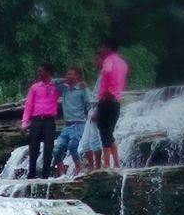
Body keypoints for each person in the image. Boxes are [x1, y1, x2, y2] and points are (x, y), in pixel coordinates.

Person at [21, 63, 59, 180]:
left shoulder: (56, 86)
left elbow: (69, 83)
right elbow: (29, 105)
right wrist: (24, 122)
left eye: (41, 71)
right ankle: (31, 173)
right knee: (33, 148)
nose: (39, 74)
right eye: (39, 71)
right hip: (36, 119)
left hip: (49, 120)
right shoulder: (35, 87)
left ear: (48, 72)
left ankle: (45, 175)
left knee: (48, 148)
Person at [96, 38, 128, 170]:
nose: (102, 50)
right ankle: (116, 163)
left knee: (104, 131)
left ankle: (107, 163)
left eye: (103, 47)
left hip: (107, 100)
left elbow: (108, 71)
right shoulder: (123, 64)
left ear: (108, 48)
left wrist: (108, 90)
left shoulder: (108, 60)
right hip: (116, 102)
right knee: (109, 132)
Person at [52, 67, 91, 176]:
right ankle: (61, 174)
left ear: (77, 75)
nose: (67, 76)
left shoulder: (82, 89)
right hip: (67, 125)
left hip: (79, 124)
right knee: (57, 149)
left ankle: (79, 170)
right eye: (67, 74)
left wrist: (90, 119)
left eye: (70, 74)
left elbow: (90, 103)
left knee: (73, 146)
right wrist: (64, 80)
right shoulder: (65, 89)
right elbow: (52, 82)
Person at [79, 68, 105, 172]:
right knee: (85, 142)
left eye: (97, 59)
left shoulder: (106, 73)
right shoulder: (102, 73)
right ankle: (92, 167)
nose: (95, 61)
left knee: (94, 139)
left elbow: (105, 94)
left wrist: (98, 109)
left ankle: (98, 167)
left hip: (96, 110)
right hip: (91, 110)